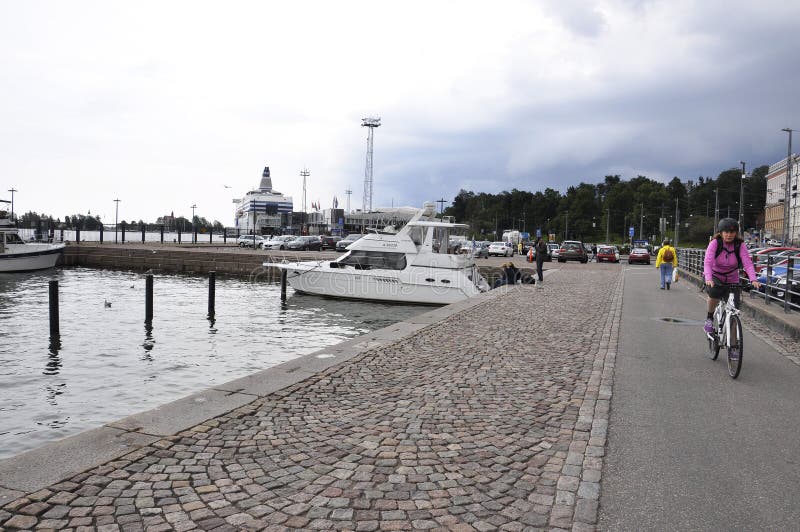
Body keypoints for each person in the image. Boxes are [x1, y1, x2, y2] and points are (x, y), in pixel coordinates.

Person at [702, 218, 761, 334]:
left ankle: (733, 342)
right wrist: (708, 278)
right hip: (715, 276)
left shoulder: (740, 245)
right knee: (714, 293)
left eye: (732, 232)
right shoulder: (715, 243)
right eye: (726, 232)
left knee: (734, 311)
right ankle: (709, 318)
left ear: (736, 233)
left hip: (732, 278)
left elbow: (747, 263)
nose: (729, 235)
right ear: (720, 232)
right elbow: (708, 262)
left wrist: (753, 279)